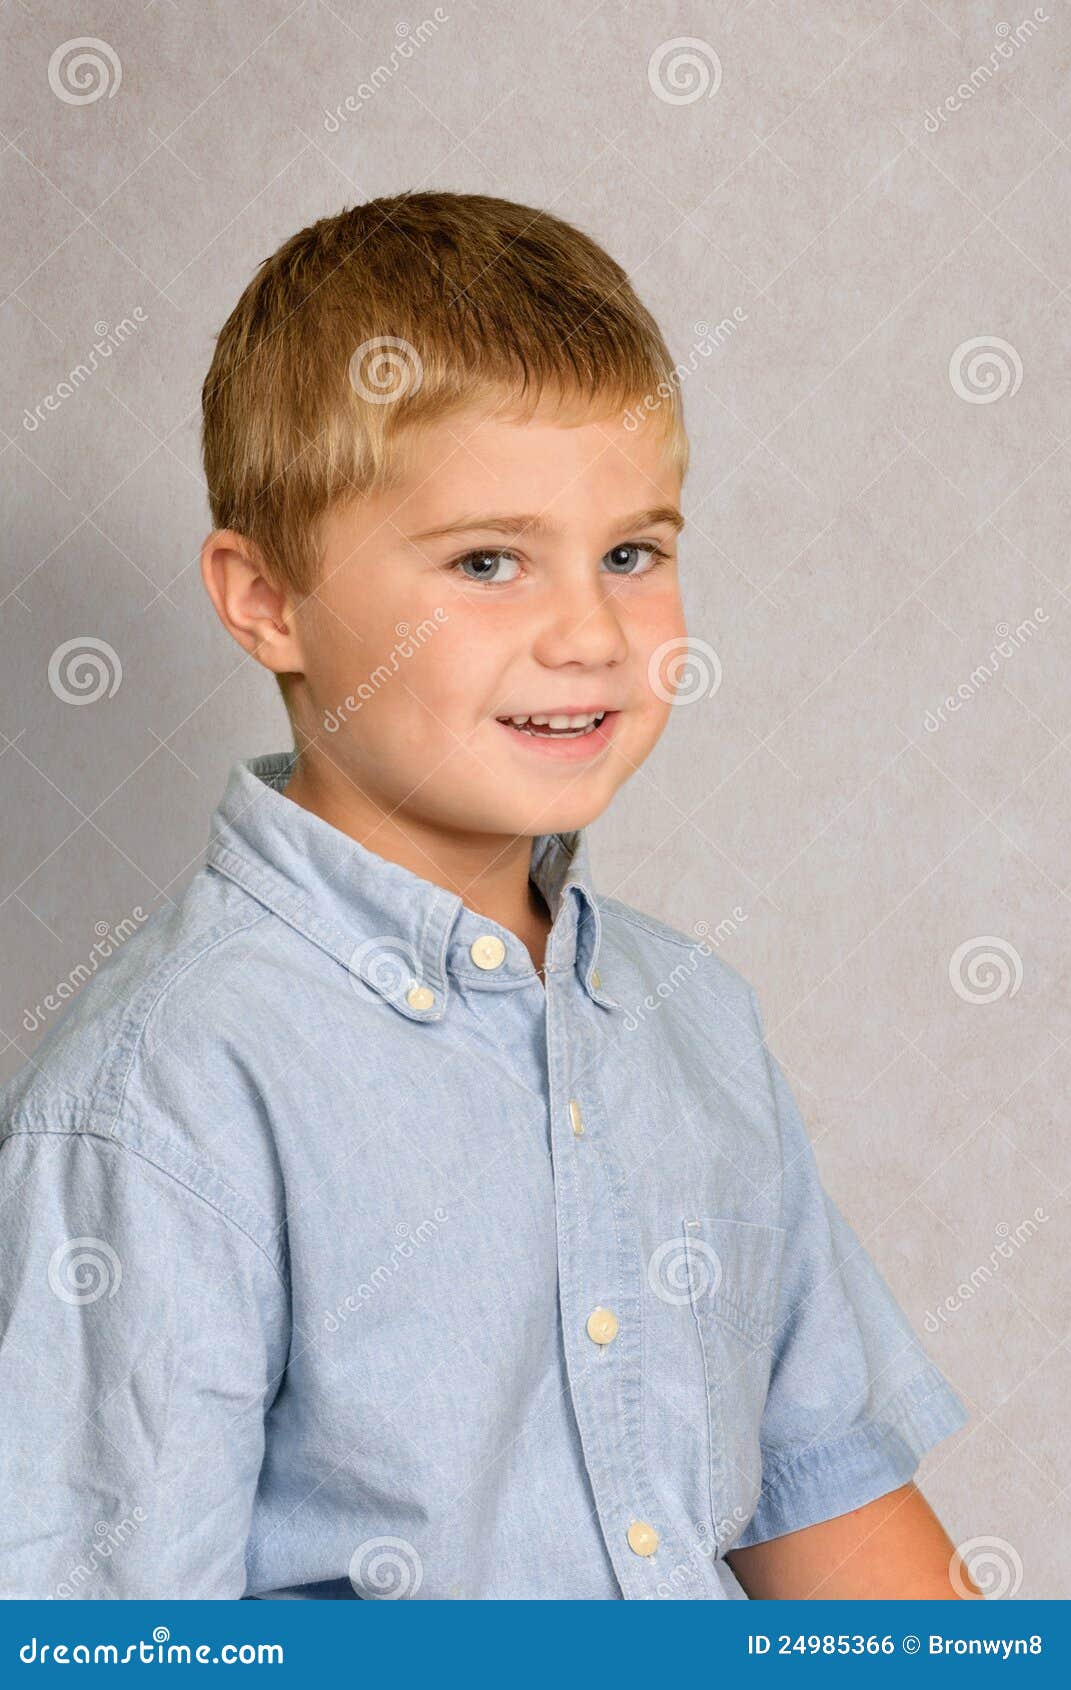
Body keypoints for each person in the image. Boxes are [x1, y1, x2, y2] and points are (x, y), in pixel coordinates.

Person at [0, 191, 981, 1600]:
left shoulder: (689, 1019)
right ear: (265, 597)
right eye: (486, 562)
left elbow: (835, 1515)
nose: (589, 631)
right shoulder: (162, 1099)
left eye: (632, 554)